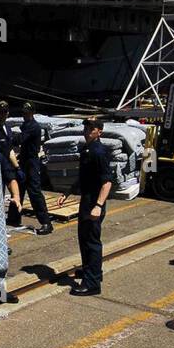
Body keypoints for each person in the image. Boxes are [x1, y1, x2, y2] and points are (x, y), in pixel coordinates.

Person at [72, 118, 113, 296]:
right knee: (84, 238)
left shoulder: (99, 152)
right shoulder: (87, 150)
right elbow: (84, 177)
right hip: (86, 201)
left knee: (91, 242)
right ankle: (90, 270)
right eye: (86, 127)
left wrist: (98, 205)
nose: (87, 130)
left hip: (93, 203)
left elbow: (107, 183)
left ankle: (93, 283)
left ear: (99, 132)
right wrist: (68, 192)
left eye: (91, 128)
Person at [18, 102, 53, 236]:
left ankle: (46, 223)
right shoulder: (26, 124)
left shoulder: (33, 126)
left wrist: (7, 137)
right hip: (24, 160)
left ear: (32, 112)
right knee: (19, 189)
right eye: (23, 112)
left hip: (31, 162)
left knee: (34, 192)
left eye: (27, 112)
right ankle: (14, 218)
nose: (24, 114)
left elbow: (21, 139)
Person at [0, 101, 22, 226]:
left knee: (1, 197)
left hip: (4, 166)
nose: (3, 115)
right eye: (0, 112)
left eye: (5, 112)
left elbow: (9, 149)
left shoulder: (7, 129)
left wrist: (17, 167)